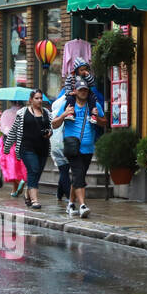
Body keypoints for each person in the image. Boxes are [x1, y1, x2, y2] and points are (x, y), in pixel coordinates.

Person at [52, 82, 104, 218]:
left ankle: (70, 204)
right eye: (81, 90)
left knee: (78, 176)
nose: (83, 92)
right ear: (75, 91)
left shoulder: (94, 105)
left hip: (88, 148)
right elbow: (54, 124)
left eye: (85, 90)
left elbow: (104, 122)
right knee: (78, 173)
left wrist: (96, 117)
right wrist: (64, 114)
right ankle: (82, 205)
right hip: (72, 146)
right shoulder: (68, 104)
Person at [9, 89, 52, 210]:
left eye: (40, 98)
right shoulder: (22, 112)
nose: (39, 101)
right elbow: (14, 130)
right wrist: (7, 147)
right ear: (31, 100)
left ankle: (28, 193)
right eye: (36, 98)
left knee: (37, 172)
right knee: (33, 169)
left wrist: (50, 133)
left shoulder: (47, 113)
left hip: (42, 148)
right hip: (26, 147)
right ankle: (34, 200)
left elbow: (51, 127)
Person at [0, 101, 27, 197]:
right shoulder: (25, 113)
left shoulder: (6, 113)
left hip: (9, 142)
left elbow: (2, 127)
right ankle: (16, 187)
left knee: (12, 167)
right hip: (21, 141)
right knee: (20, 165)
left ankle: (17, 184)